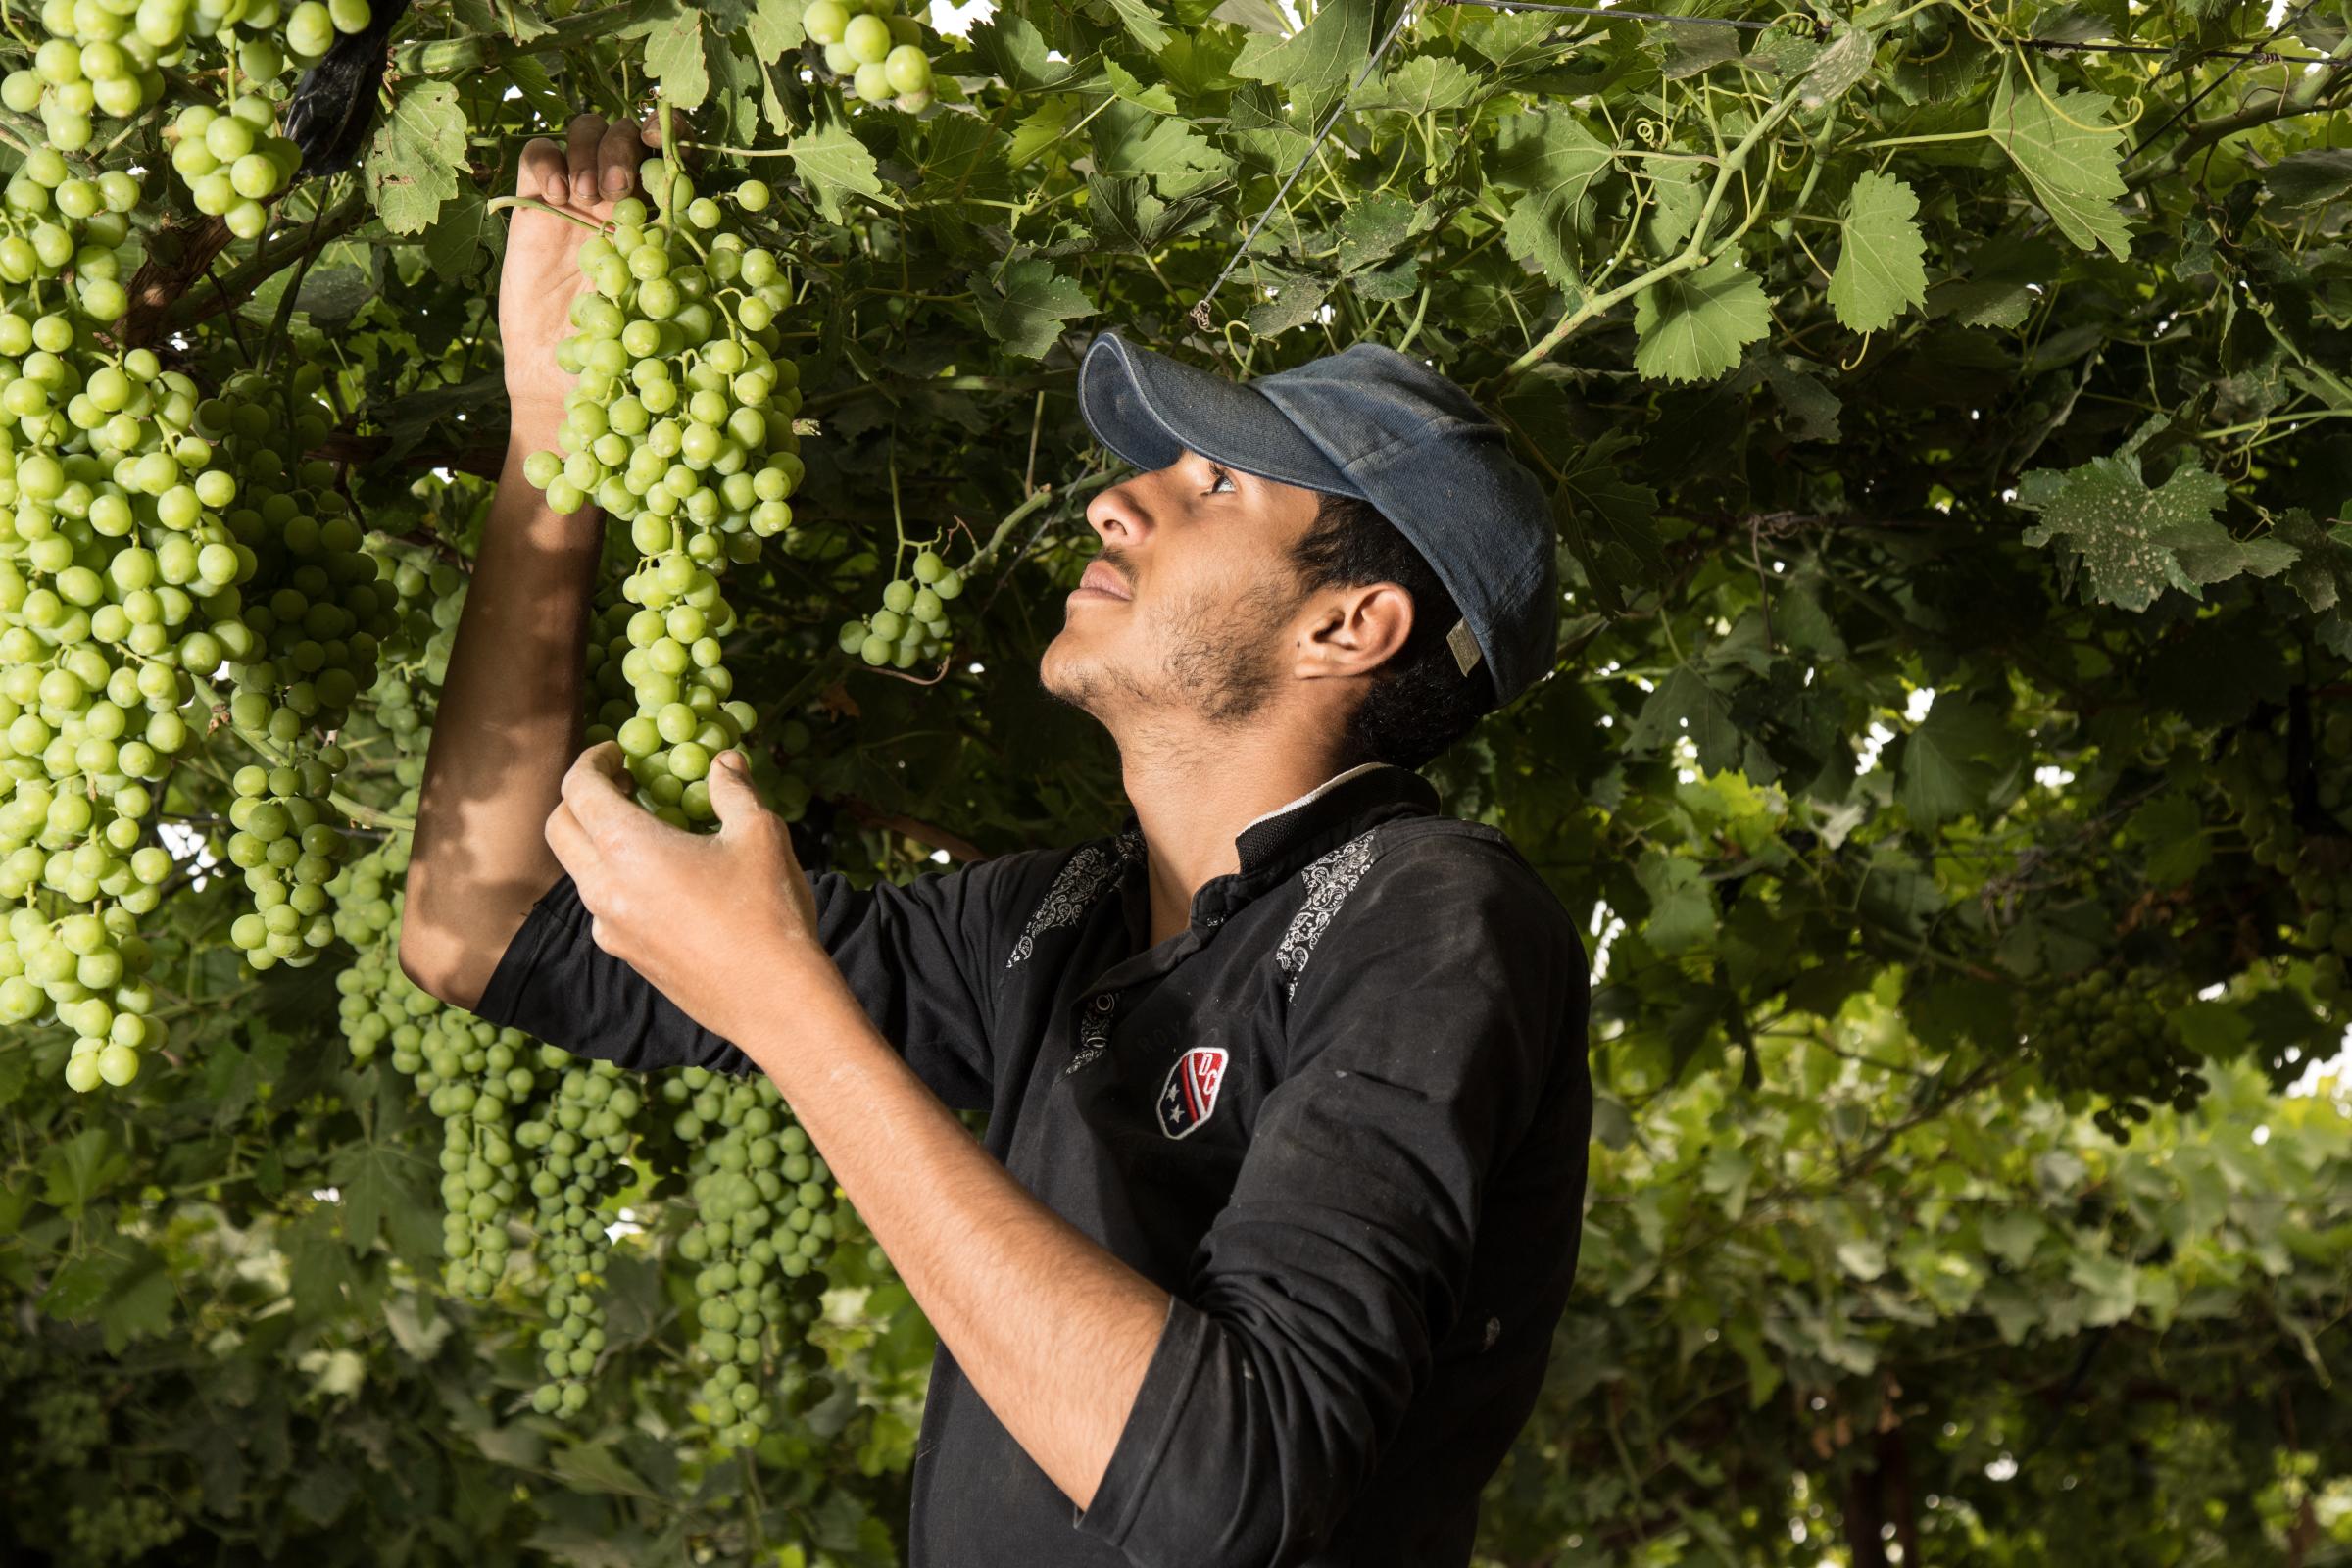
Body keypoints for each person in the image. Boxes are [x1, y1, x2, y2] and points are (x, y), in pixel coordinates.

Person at [401, 113, 1594, 1568]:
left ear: (1350, 625)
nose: (1117, 496)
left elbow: (1230, 1489)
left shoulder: (1429, 915)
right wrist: (548, 433)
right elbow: (481, 923)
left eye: (1216, 485)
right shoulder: (1059, 923)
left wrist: (790, 1007)